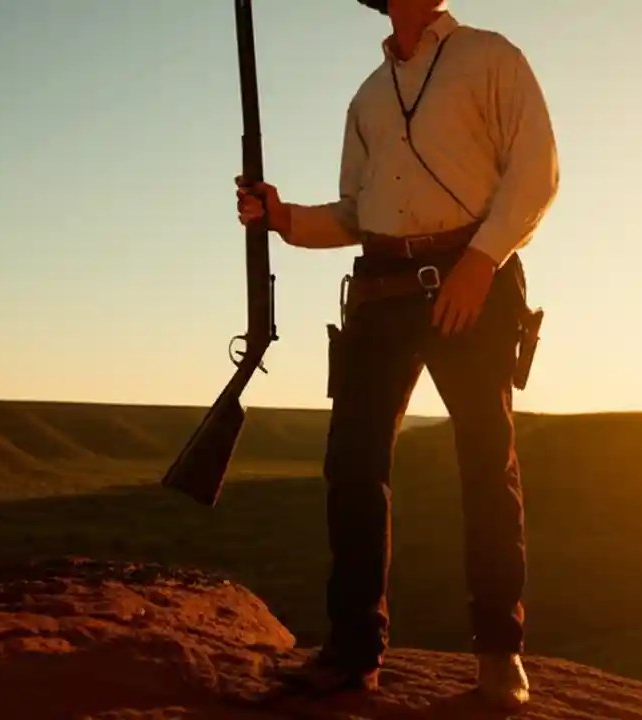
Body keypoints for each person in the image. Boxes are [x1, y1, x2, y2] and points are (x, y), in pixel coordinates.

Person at [235, 0, 558, 709]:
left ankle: (500, 653)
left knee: (485, 459)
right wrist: (283, 216)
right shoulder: (368, 96)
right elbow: (356, 214)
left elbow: (536, 172)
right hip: (381, 289)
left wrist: (481, 263)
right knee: (352, 464)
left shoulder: (488, 55)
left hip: (473, 277)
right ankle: (353, 651)